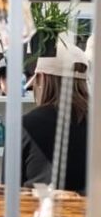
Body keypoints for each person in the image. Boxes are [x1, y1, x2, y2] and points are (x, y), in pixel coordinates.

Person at [22, 44, 90, 192]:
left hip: (37, 212)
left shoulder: (27, 125)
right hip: (92, 213)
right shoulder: (96, 121)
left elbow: (7, 189)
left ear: (42, 79)